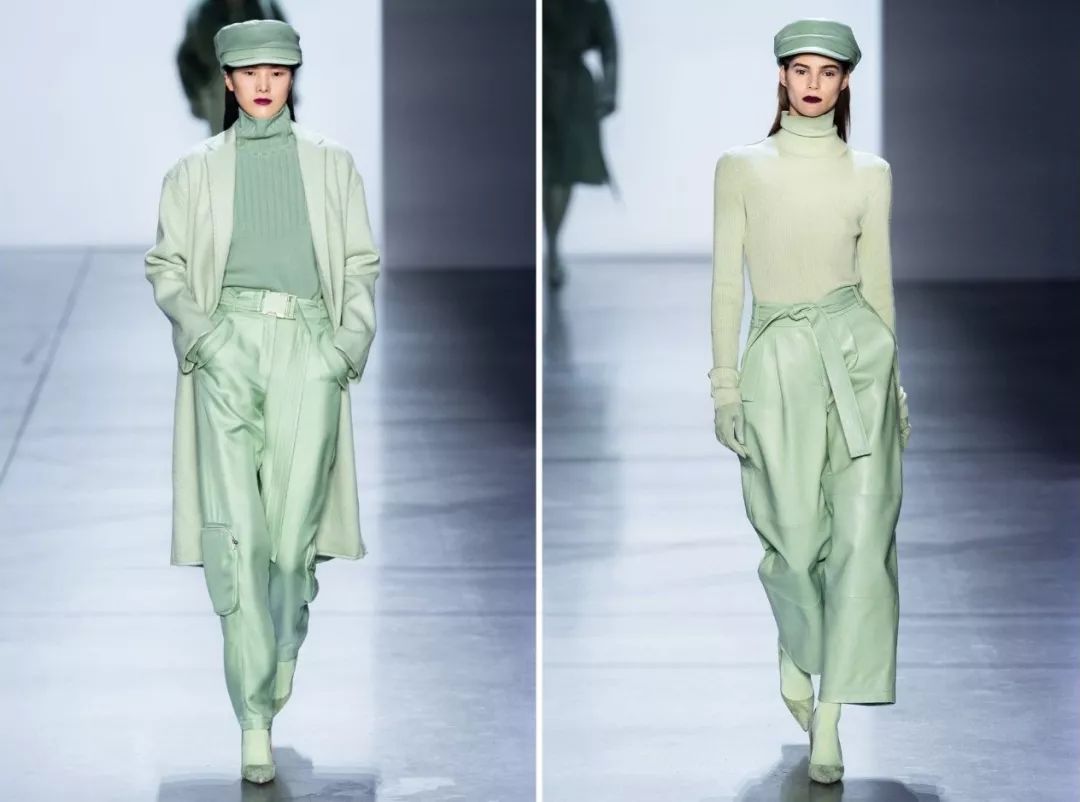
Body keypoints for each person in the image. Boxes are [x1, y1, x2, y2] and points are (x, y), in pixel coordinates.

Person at [145, 20, 380, 784]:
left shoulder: (332, 164)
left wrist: (345, 346)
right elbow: (166, 265)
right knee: (239, 537)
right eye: (250, 73)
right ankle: (253, 718)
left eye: (277, 71)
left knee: (292, 540)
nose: (264, 84)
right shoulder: (193, 171)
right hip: (228, 346)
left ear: (293, 76)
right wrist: (206, 338)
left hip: (309, 346)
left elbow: (360, 261)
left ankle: (284, 644)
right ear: (227, 80)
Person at [708, 19, 911, 785]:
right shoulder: (742, 167)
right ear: (782, 77)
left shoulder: (871, 173)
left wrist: (894, 387)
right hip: (778, 361)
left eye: (829, 72)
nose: (814, 84)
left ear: (846, 81)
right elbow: (727, 285)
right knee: (792, 543)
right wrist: (725, 388)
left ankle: (830, 716)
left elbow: (879, 286)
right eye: (802, 70)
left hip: (859, 359)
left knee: (862, 541)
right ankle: (797, 647)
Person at [542, 0, 617, 288]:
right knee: (554, 171)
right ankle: (551, 249)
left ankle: (552, 248)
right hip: (551, 84)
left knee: (562, 172)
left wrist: (609, 90)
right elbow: (609, 46)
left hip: (572, 91)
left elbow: (609, 45)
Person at [177, 0, 292, 135]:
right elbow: (198, 56)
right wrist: (197, 100)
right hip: (216, 87)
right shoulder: (205, 14)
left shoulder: (265, 10)